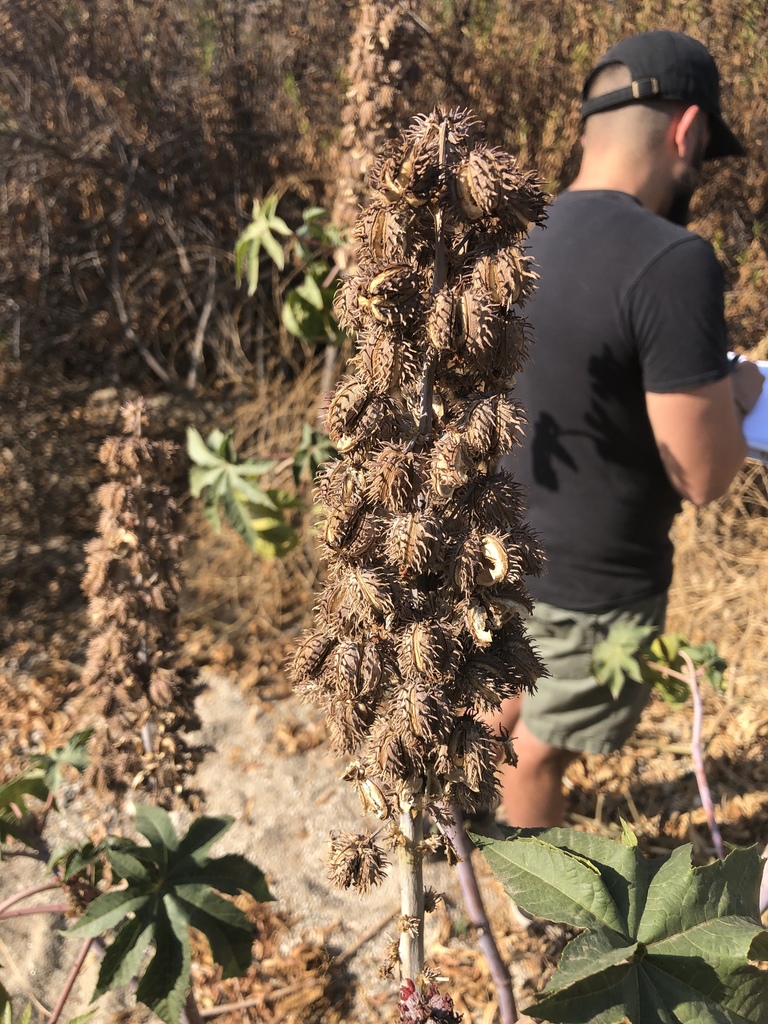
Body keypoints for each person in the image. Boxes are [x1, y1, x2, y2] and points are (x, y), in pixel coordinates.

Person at [490, 30, 765, 829]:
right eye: (704, 152)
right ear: (687, 131)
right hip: (597, 586)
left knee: (499, 709)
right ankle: (542, 913)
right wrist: (737, 392)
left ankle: (456, 837)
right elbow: (703, 475)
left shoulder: (512, 240)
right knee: (539, 752)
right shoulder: (672, 260)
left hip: (498, 550)